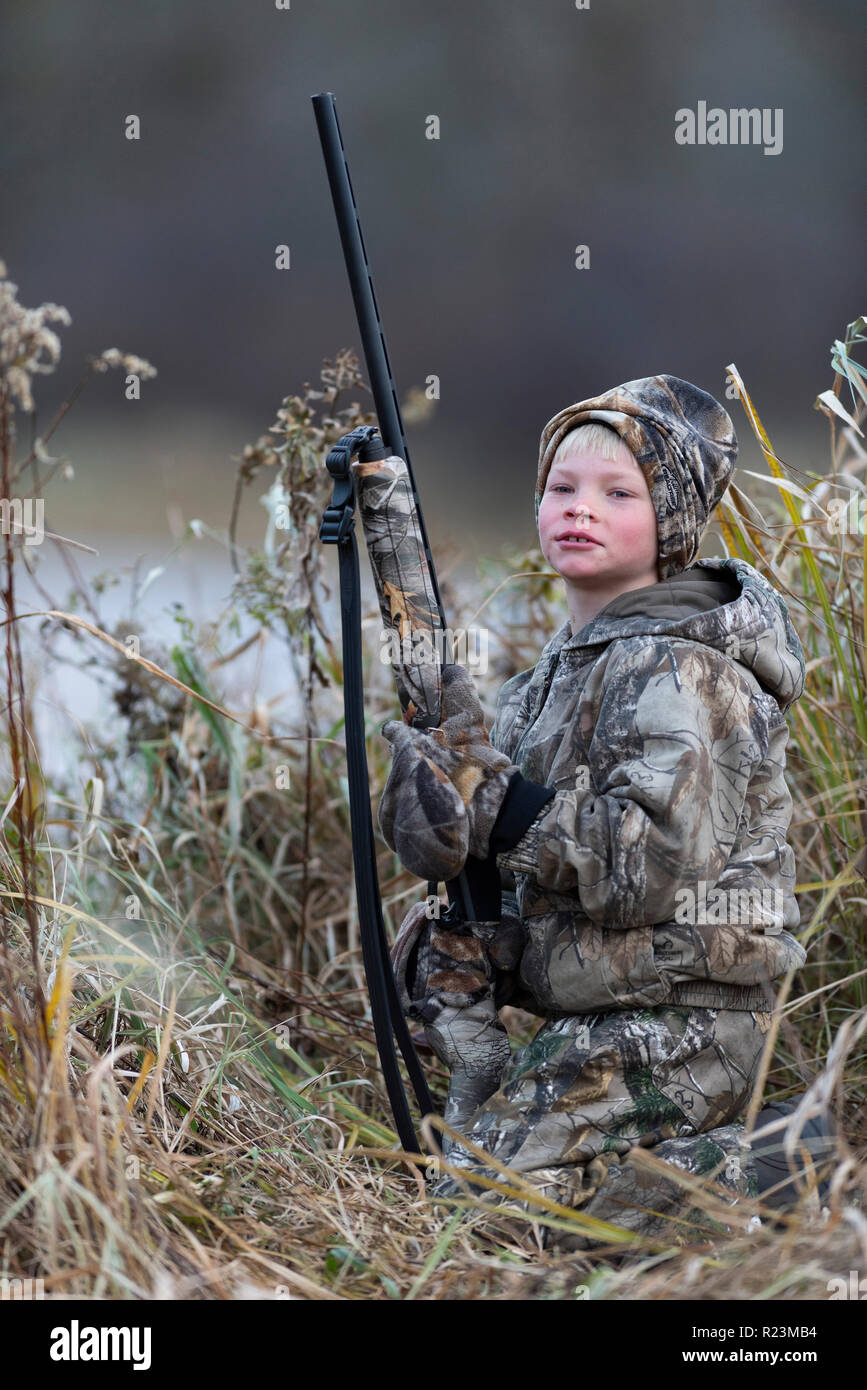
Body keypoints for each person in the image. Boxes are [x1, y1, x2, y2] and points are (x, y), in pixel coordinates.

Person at [379, 374, 835, 1250]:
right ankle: (609, 1156)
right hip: (604, 1003)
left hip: (694, 1018)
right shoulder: (546, 679)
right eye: (561, 488)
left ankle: (789, 1161)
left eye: (617, 493)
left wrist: (505, 809)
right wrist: (477, 930)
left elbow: (651, 871)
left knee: (492, 1222)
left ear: (670, 522)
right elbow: (523, 869)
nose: (578, 509)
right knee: (458, 1185)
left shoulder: (683, 670)